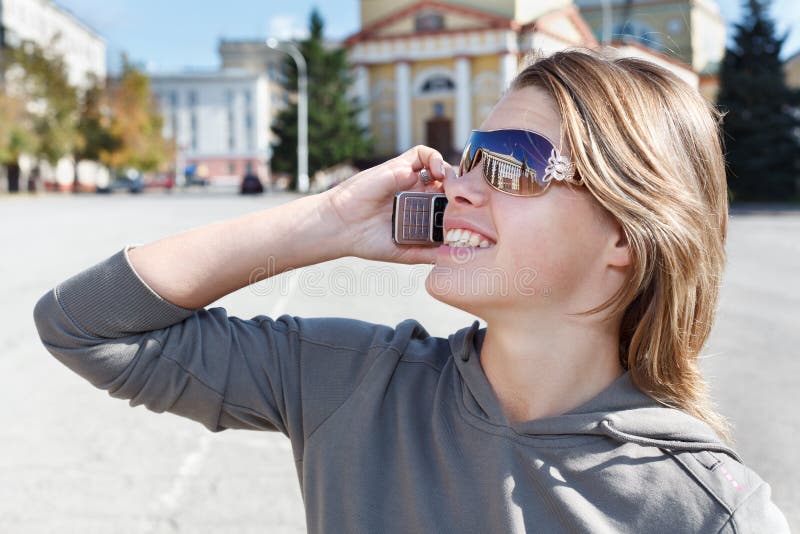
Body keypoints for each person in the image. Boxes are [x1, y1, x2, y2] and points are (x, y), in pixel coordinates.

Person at [33, 50, 789, 532]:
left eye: (509, 163)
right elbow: (86, 327)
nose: (460, 185)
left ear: (625, 235)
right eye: (469, 159)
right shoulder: (352, 382)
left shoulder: (709, 512)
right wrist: (326, 221)